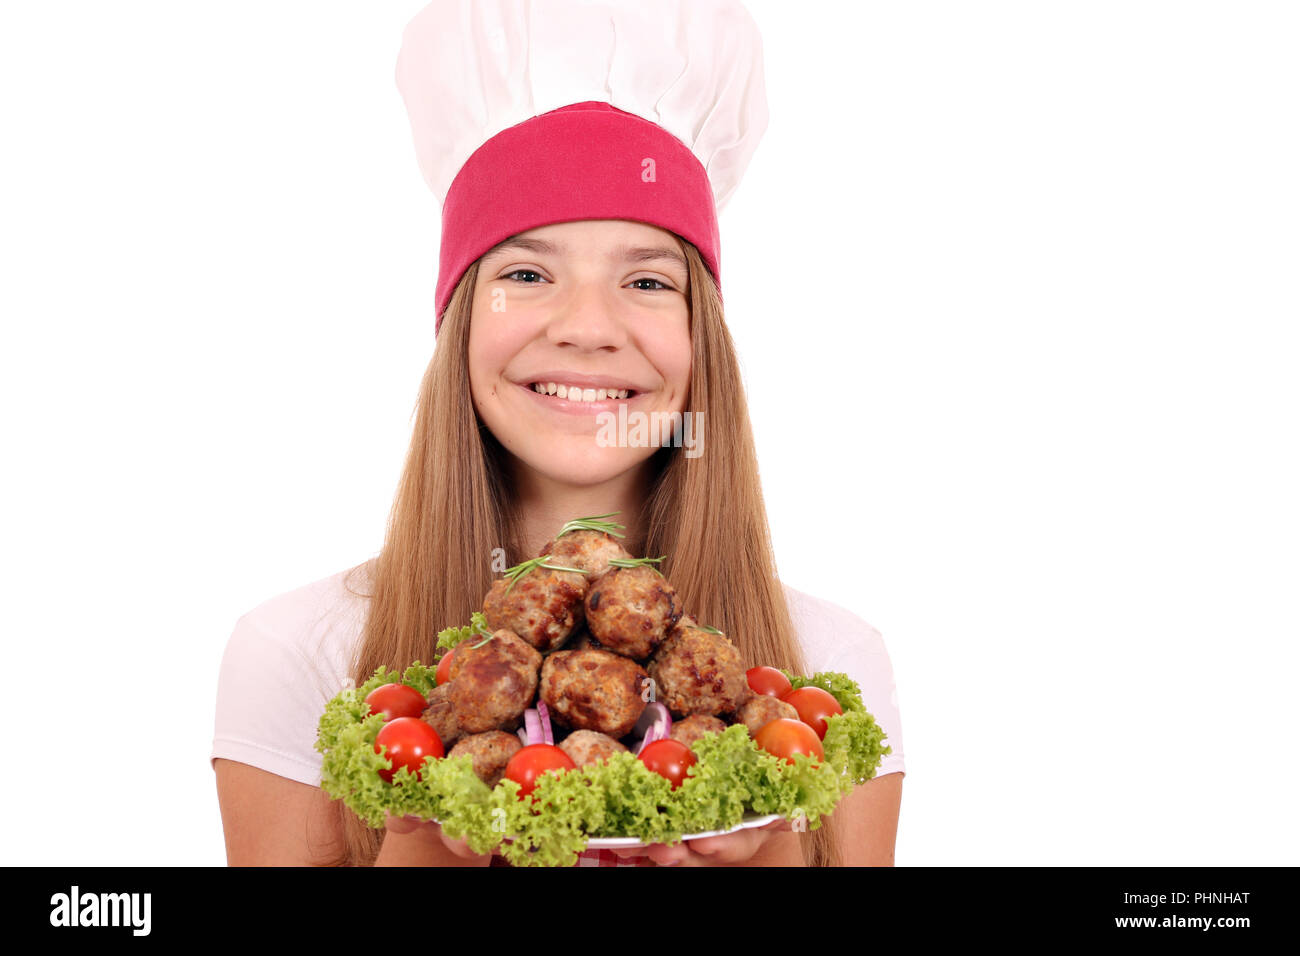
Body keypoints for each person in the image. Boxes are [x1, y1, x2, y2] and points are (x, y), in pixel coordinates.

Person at [212, 0, 905, 867]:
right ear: (462, 324)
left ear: (703, 346)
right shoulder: (297, 654)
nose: (587, 326)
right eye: (528, 272)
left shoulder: (831, 668)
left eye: (648, 281)